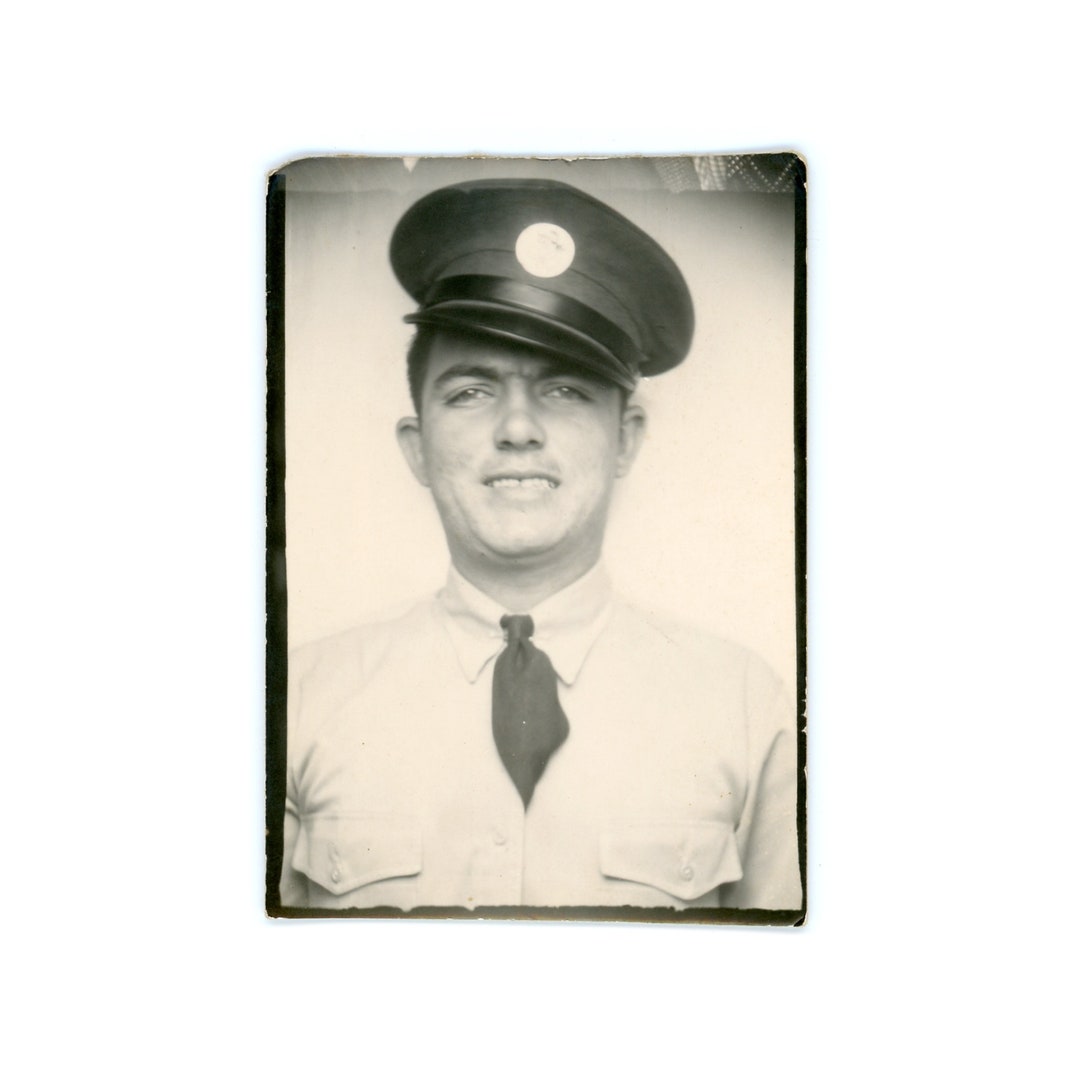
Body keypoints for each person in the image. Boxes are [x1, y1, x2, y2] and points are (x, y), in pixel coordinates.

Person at [279, 177, 802, 912]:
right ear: (418, 447)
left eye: (564, 390)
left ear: (626, 439)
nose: (517, 428)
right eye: (470, 390)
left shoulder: (746, 707)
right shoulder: (298, 702)